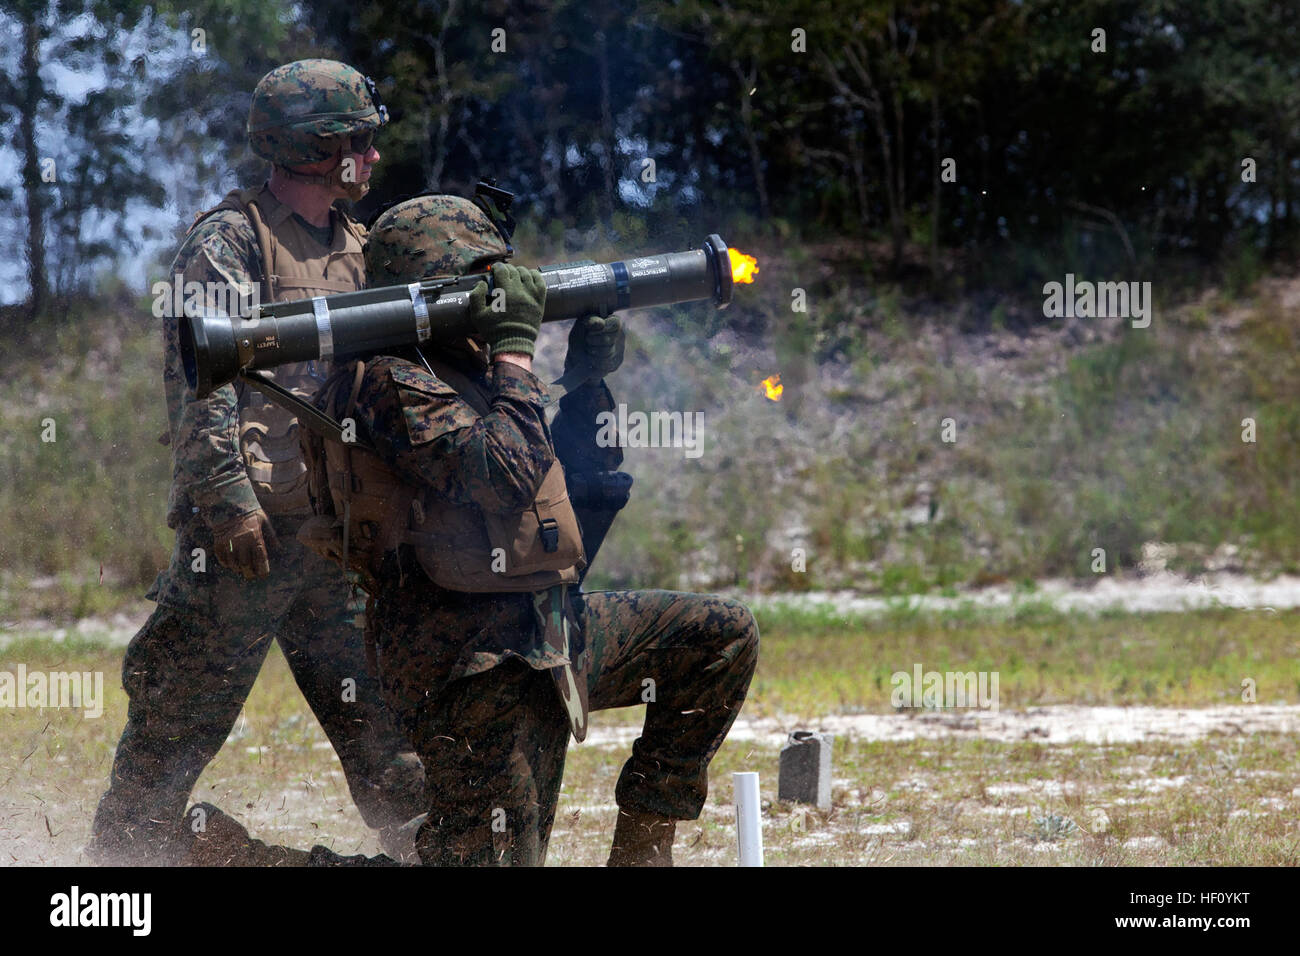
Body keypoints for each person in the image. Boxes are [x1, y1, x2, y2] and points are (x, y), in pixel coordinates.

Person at [297, 194, 759, 865]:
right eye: (476, 280)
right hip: (466, 670)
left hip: (541, 633)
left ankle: (642, 855)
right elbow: (496, 471)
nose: (497, 296)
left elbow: (573, 488)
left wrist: (582, 385)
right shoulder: (388, 383)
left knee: (717, 639)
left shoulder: (468, 369)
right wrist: (517, 358)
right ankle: (243, 855)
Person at [90, 60, 425, 865]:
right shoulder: (229, 240)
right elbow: (197, 377)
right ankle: (115, 871)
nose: (373, 158)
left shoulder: (362, 246)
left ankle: (428, 851)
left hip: (336, 542)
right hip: (246, 543)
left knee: (386, 732)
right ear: (317, 149)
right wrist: (229, 500)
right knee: (174, 727)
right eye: (360, 142)